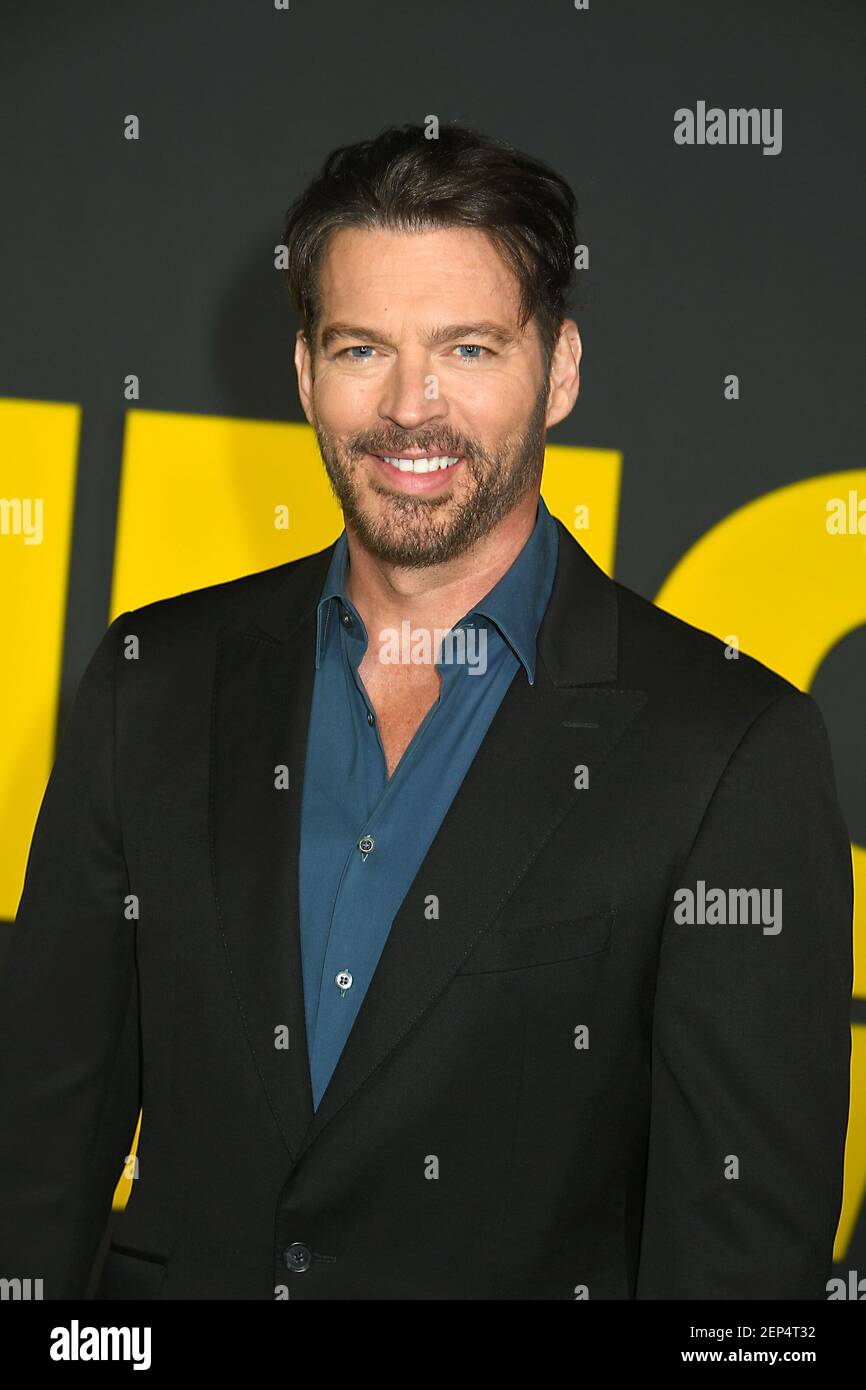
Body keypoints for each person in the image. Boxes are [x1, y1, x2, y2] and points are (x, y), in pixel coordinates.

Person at [0, 123, 853, 1300]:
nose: (412, 406)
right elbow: (37, 1143)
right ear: (304, 373)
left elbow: (739, 1275)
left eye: (466, 345)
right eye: (361, 346)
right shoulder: (152, 676)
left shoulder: (728, 748)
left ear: (556, 372)